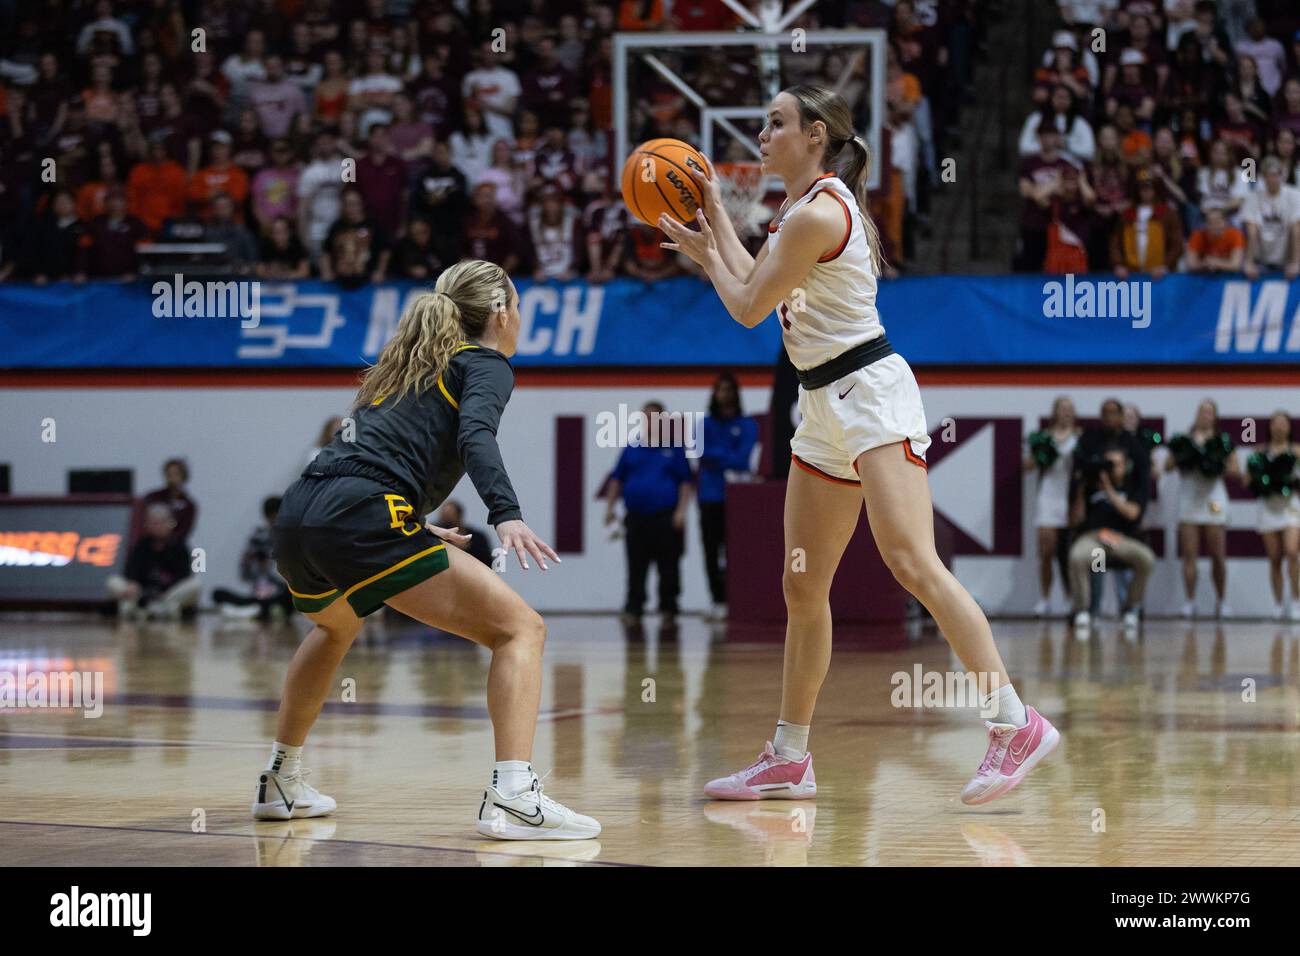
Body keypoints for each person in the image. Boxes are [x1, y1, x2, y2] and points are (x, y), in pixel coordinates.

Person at [658, 84, 1060, 805]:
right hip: (822, 404)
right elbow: (754, 281)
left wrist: (711, 243)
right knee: (803, 584)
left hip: (868, 394)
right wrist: (715, 220)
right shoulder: (796, 211)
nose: (762, 133)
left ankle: (1015, 720)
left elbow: (749, 307)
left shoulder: (817, 212)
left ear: (815, 134)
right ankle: (788, 757)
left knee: (912, 562)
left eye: (775, 122)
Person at [257, 259, 600, 840]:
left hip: (299, 514)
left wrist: (410, 517)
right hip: (363, 517)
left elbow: (380, 453)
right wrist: (506, 513)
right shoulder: (485, 363)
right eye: (516, 306)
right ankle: (514, 795)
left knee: (336, 626)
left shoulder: (403, 367)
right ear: (498, 313)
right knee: (521, 630)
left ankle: (281, 778)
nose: (519, 318)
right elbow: (475, 437)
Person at [602, 401, 693, 624]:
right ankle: (634, 607)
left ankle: (669, 608)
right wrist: (610, 508)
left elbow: (685, 482)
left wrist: (681, 511)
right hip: (636, 517)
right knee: (636, 565)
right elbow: (617, 478)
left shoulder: (674, 449)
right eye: (646, 417)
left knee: (668, 565)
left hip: (665, 516)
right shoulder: (632, 449)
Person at [1067, 432, 1156, 637]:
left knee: (1146, 559)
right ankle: (1083, 610)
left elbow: (1132, 513)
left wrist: (1109, 490)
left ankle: (1130, 609)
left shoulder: (1131, 485)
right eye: (1108, 463)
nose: (1111, 468)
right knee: (1078, 557)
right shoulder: (1090, 485)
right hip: (1094, 539)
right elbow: (1075, 520)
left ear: (1126, 466)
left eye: (1116, 464)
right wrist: (1081, 489)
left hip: (1119, 540)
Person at [1166, 398, 1239, 618]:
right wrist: (1185, 457)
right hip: (1189, 499)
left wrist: (1214, 461)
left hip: (1214, 500)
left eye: (1210, 412)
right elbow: (1167, 466)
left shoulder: (1222, 441)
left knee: (1218, 554)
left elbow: (1236, 470)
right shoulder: (1184, 440)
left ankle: (1222, 601)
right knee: (1189, 554)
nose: (1205, 415)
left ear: (1215, 417)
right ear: (1196, 414)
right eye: (1202, 411)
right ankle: (1190, 601)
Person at [697, 373, 758, 620]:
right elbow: (702, 452)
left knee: (738, 551)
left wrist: (718, 456)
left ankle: (739, 600)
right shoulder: (705, 425)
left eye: (728, 389)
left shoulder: (747, 424)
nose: (724, 394)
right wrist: (727, 457)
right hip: (710, 496)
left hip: (739, 498)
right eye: (719, 389)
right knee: (711, 550)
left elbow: (743, 458)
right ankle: (717, 600)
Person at [1025, 396, 1079, 616]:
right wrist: (1039, 456)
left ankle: (1069, 598)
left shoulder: (1079, 437)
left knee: (1067, 554)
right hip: (1048, 497)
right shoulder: (1044, 437)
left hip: (1069, 498)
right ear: (1055, 412)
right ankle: (1045, 598)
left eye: (1069, 409)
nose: (1066, 412)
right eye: (1062, 408)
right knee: (1046, 551)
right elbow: (1027, 466)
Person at [1247, 411, 1299, 621]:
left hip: (1291, 506)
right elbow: (1248, 480)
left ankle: (1296, 601)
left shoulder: (1296, 450)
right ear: (1269, 427)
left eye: (1283, 423)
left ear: (1289, 426)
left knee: (1292, 552)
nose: (1279, 427)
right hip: (1268, 507)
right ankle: (1278, 604)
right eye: (1275, 423)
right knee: (1275, 558)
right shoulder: (1259, 451)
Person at [108, 503, 200, 621]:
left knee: (196, 584)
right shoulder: (142, 545)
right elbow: (130, 570)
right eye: (153, 522)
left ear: (169, 523)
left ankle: (157, 608)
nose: (157, 526)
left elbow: (184, 575)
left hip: (167, 594)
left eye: (160, 522)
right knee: (113, 581)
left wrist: (163, 590)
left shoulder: (179, 546)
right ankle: (144, 607)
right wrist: (133, 584)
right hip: (141, 592)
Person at [214, 496, 294, 621]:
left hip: (282, 589)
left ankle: (255, 609)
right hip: (261, 589)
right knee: (218, 593)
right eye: (272, 516)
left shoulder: (289, 538)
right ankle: (258, 609)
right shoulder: (258, 537)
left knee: (289, 596)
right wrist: (248, 563)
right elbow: (246, 574)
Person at [135, 458, 198, 544]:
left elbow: (184, 531)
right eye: (169, 474)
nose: (172, 479)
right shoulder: (152, 498)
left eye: (176, 474)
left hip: (174, 549)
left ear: (183, 477)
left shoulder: (188, 506)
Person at [436, 499, 494, 566]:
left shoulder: (477, 537)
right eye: (444, 516)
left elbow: (488, 562)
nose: (445, 520)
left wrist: (468, 548)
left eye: (449, 516)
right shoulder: (434, 535)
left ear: (459, 515)